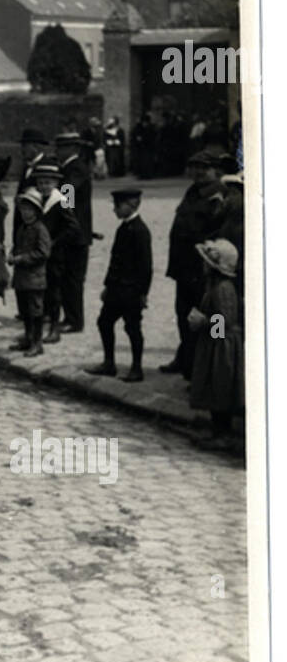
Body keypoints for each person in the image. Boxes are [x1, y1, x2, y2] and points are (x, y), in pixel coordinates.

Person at [160, 149, 227, 380]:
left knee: (208, 319)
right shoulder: (193, 191)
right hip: (184, 268)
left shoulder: (218, 194)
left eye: (203, 168)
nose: (197, 172)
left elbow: (216, 231)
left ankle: (208, 370)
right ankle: (187, 359)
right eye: (194, 167)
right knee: (184, 315)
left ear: (216, 170)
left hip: (202, 269)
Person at [85, 188, 152, 382]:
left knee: (132, 328)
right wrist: (107, 286)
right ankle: (109, 363)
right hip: (116, 289)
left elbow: (146, 267)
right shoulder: (123, 227)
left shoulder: (140, 231)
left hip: (131, 291)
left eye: (118, 206)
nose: (114, 210)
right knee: (104, 322)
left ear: (132, 205)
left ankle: (137, 368)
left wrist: (143, 293)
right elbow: (115, 261)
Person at [188, 239, 243, 449]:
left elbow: (223, 322)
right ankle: (217, 429)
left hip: (221, 347)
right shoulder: (215, 286)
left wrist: (203, 323)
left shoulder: (222, 289)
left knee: (220, 387)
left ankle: (222, 432)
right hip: (215, 343)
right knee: (215, 387)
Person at [28, 158, 85, 346]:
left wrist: (54, 242)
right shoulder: (35, 200)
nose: (44, 186)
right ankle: (34, 332)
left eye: (48, 182)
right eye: (40, 182)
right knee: (37, 292)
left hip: (54, 255)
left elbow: (73, 227)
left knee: (53, 292)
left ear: (55, 183)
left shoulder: (62, 201)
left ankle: (54, 328)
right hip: (38, 254)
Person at [55, 131, 93, 332]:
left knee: (73, 280)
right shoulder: (69, 167)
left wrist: (54, 198)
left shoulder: (76, 168)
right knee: (67, 278)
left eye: (62, 147)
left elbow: (67, 195)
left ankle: (75, 321)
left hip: (76, 234)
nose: (58, 151)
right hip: (71, 233)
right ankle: (69, 317)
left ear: (73, 149)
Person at [7, 187, 51, 357]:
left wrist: (21, 258)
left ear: (36, 211)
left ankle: (37, 343)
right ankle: (28, 337)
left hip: (35, 278)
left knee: (35, 311)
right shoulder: (22, 229)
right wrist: (12, 253)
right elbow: (17, 246)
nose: (25, 213)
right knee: (24, 311)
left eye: (29, 209)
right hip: (21, 278)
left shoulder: (40, 229)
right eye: (23, 209)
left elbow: (43, 252)